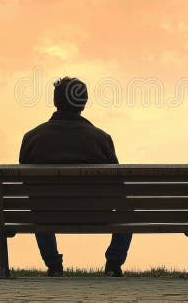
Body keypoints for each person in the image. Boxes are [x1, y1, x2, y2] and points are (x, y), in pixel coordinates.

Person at [19, 76, 132, 277]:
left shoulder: (32, 138)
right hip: (97, 214)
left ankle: (54, 265)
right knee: (128, 209)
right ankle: (114, 264)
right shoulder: (101, 139)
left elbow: (26, 185)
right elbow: (118, 186)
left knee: (38, 206)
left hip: (47, 214)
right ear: (83, 104)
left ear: (55, 101)